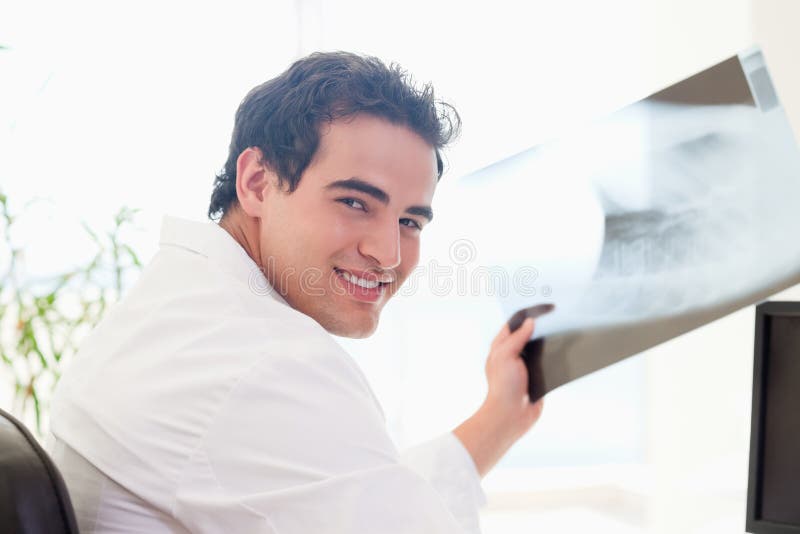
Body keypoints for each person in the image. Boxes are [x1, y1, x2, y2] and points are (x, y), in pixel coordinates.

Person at [47, 51, 543, 533]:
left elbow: (344, 489)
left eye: (410, 221)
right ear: (258, 183)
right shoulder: (266, 362)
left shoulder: (182, 306)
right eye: (355, 201)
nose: (389, 253)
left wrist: (498, 417)